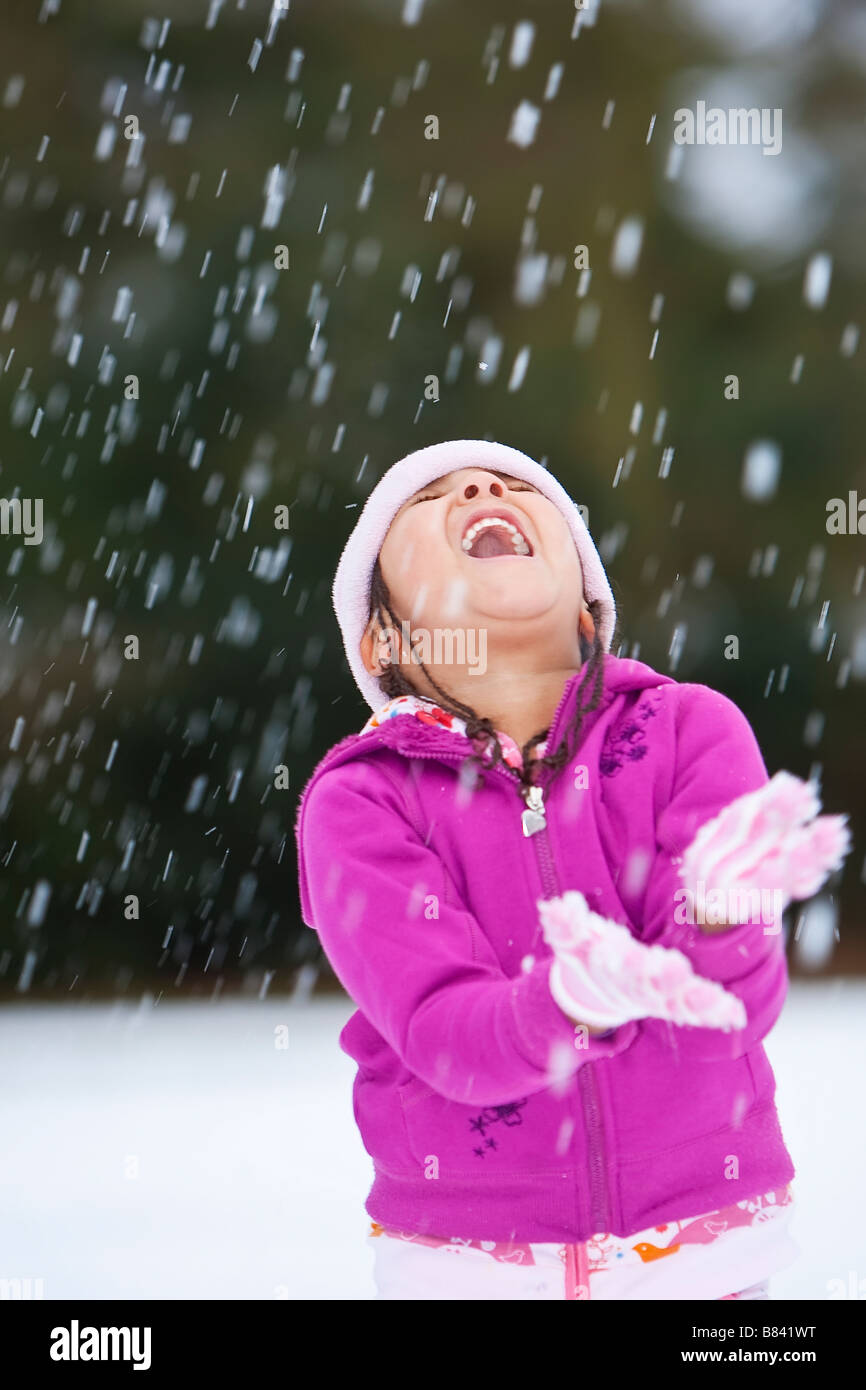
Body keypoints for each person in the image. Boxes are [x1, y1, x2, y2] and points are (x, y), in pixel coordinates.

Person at [294, 438, 849, 1300]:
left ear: (589, 611)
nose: (482, 486)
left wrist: (717, 910)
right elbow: (444, 1031)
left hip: (704, 1265)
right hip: (467, 1268)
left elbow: (722, 1021)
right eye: (431, 497)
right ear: (380, 638)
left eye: (516, 483)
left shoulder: (690, 731)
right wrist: (568, 1000)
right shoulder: (361, 802)